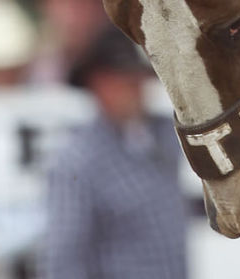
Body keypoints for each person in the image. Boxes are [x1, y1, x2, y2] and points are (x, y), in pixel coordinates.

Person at [44, 26, 188, 279]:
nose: (134, 88)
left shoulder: (166, 134)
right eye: (122, 79)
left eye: (136, 78)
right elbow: (63, 260)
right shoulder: (77, 162)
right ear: (96, 84)